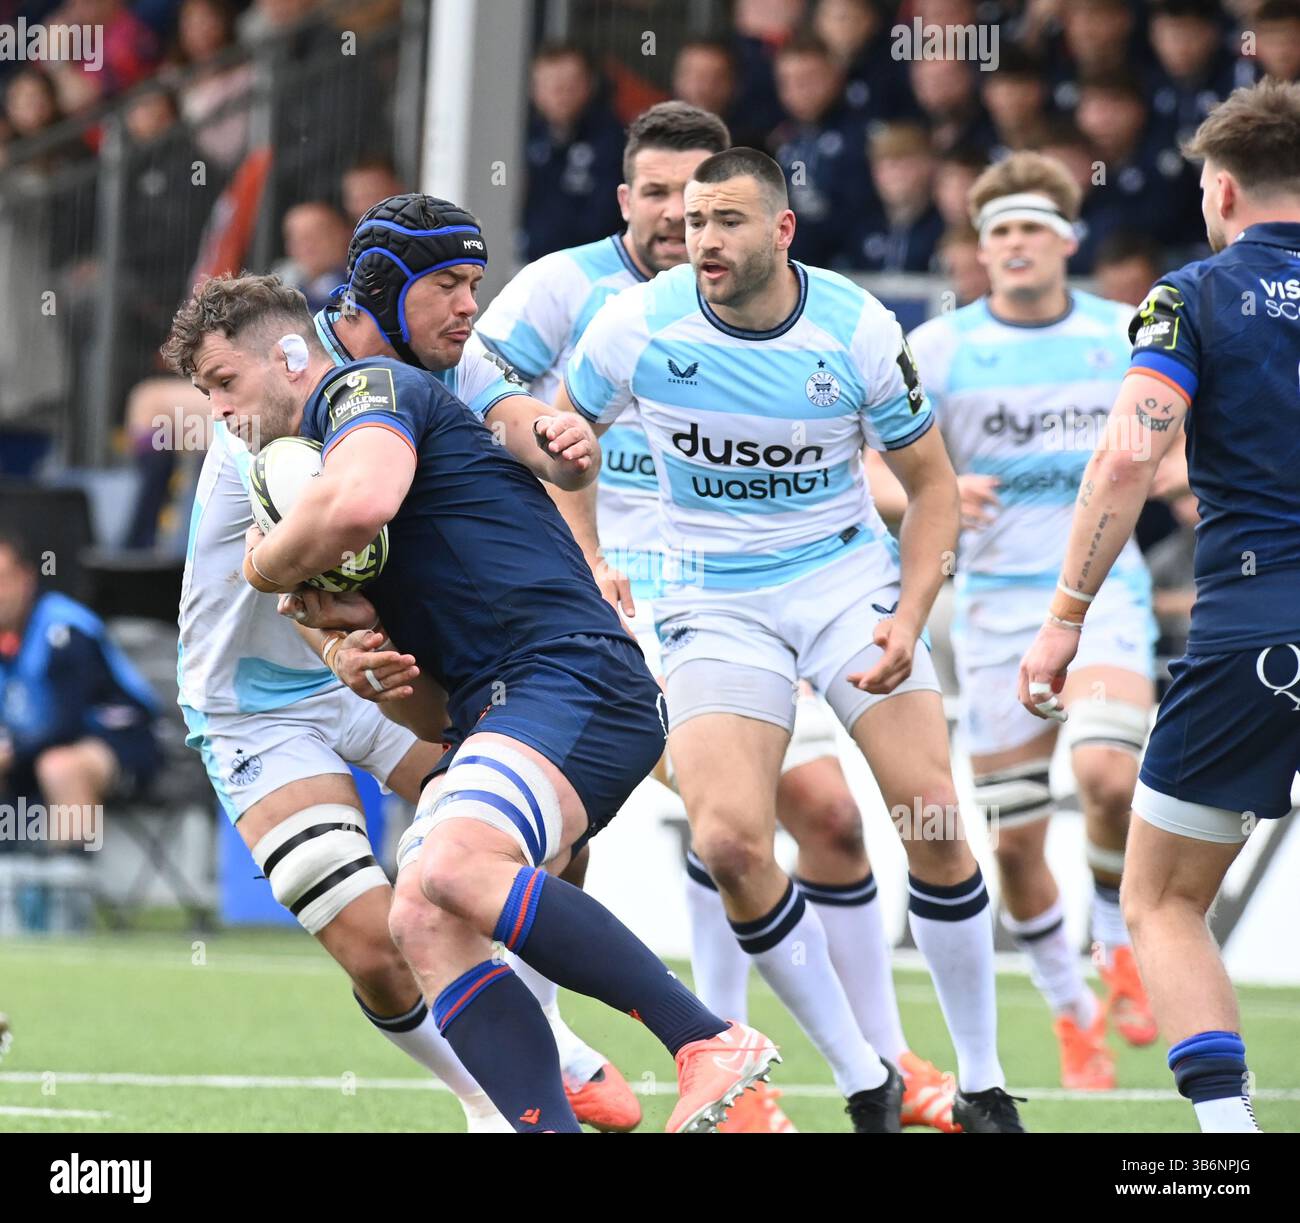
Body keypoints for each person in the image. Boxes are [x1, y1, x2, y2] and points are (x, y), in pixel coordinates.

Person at [173, 270, 777, 1134]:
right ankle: (523, 1107)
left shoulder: (371, 394)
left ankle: (697, 1037)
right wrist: (350, 647)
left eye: (225, 384)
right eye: (205, 394)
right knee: (414, 917)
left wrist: (267, 567)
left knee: (461, 863)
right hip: (368, 701)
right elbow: (394, 672)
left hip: (561, 675)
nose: (218, 412)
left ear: (295, 352)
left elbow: (357, 509)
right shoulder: (299, 446)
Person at [477, 103, 957, 1133]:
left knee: (823, 813)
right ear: (626, 199)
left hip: (768, 578)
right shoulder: (571, 291)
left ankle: (880, 1058)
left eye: (702, 201)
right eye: (658, 197)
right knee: (711, 822)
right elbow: (482, 386)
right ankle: (674, 1053)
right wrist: (572, 535)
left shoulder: (789, 307)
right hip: (624, 592)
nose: (682, 222)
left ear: (755, 212)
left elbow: (826, 448)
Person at [304, 191, 644, 1130]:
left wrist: (566, 449)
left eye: (476, 284)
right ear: (384, 288)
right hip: (292, 679)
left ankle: (559, 1075)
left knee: (467, 869)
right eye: (448, 284)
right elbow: (318, 525)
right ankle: (563, 1076)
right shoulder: (317, 383)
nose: (468, 305)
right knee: (410, 908)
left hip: (438, 666)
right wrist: (313, 617)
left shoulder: (454, 371)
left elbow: (517, 420)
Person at [1018, 78, 1300, 1134]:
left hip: (1254, 624)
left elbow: (1132, 448)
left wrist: (1064, 615)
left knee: (1163, 898)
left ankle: (1225, 1148)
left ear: (1221, 191)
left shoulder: (1195, 293)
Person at [907, 152, 1161, 1092]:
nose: (1014, 245)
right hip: (992, 608)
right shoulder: (941, 350)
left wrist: (1182, 477)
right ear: (982, 247)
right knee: (1012, 841)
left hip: (1102, 598)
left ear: (1067, 241)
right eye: (998, 231)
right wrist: (927, 492)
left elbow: (1173, 442)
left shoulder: (1120, 334)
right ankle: (1071, 1011)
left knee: (1107, 773)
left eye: (1031, 229)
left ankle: (1114, 942)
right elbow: (871, 466)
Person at [0, 529, 160, 836]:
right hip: (38, 747)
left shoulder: (64, 629)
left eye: (3, 580)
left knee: (59, 766)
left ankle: (69, 875)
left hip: (124, 740)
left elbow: (66, 725)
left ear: (26, 579)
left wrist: (13, 756)